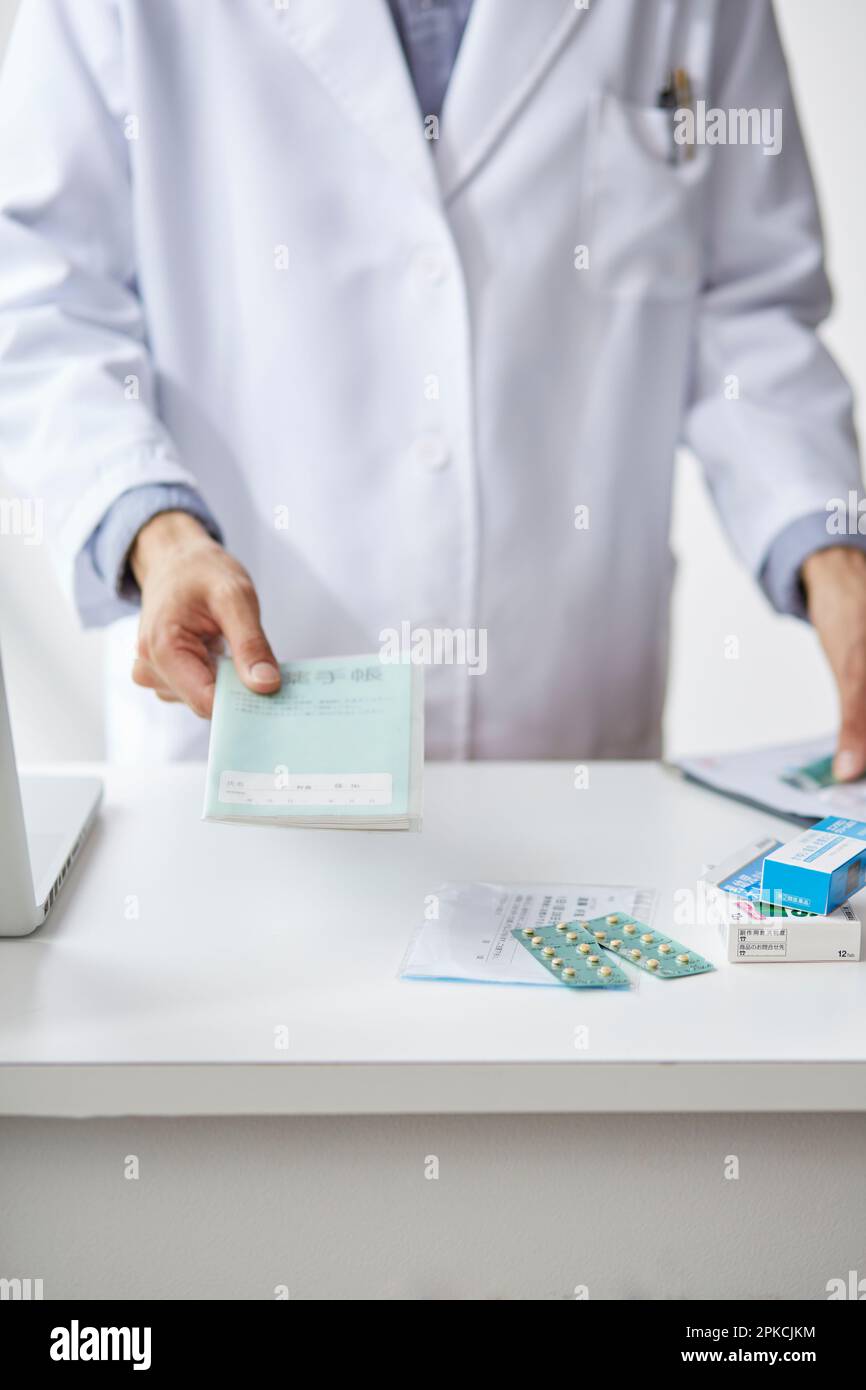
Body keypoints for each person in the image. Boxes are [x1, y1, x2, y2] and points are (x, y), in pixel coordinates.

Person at [1, 0, 864, 771]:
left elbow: (746, 303)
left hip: (568, 738)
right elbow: (41, 296)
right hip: (241, 736)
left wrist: (832, 555)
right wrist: (158, 533)